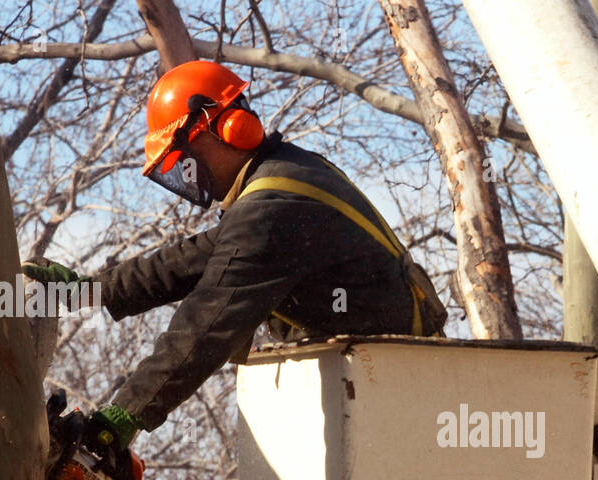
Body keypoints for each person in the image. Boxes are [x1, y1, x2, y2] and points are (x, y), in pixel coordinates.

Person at [23, 60, 446, 454]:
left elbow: (207, 322)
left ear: (222, 128)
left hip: (396, 383)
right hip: (376, 374)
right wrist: (87, 292)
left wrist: (125, 416)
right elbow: (187, 262)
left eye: (183, 156)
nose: (186, 172)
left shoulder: (275, 205)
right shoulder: (280, 178)